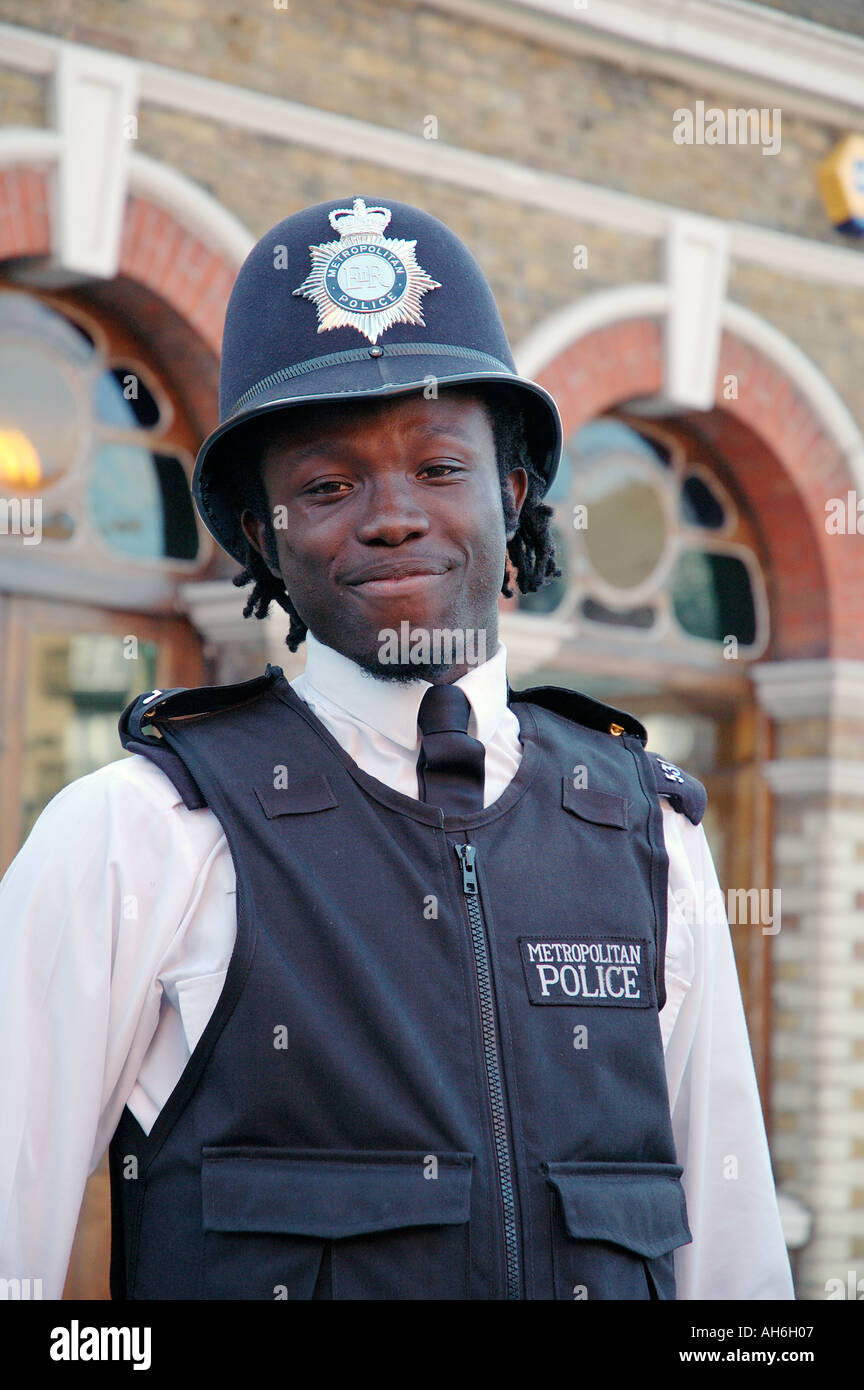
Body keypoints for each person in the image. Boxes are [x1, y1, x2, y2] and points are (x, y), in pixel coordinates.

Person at [0, 197, 793, 1301]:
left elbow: (735, 1267)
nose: (390, 517)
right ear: (263, 533)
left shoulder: (649, 834)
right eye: (327, 486)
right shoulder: (136, 835)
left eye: (438, 467)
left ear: (512, 494)